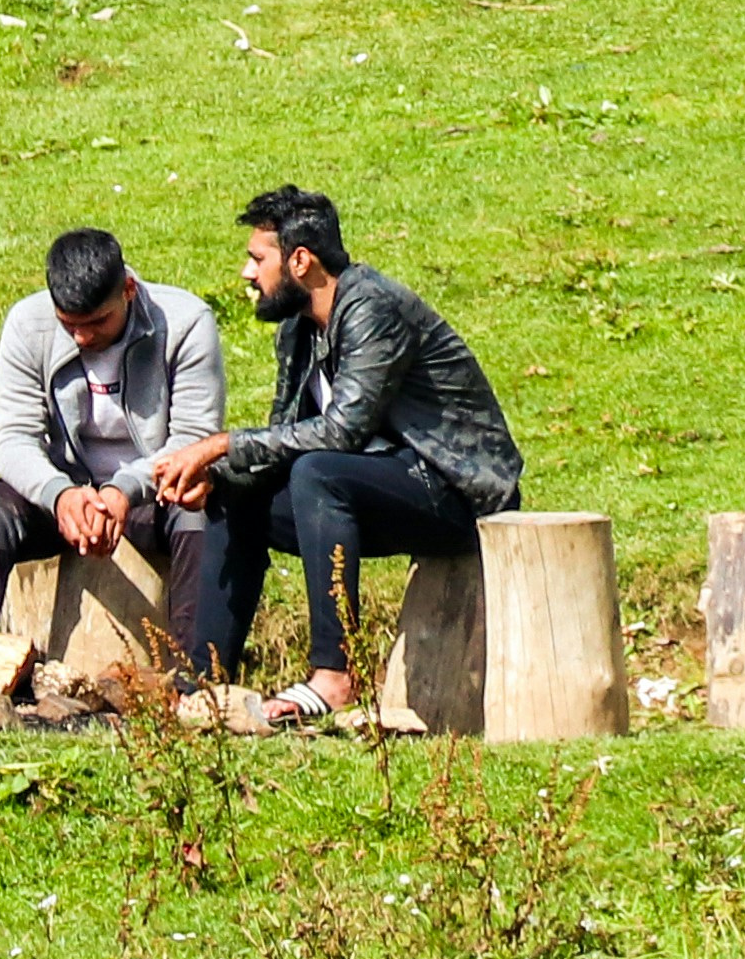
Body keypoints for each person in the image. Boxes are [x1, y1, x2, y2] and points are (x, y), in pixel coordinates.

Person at [147, 183, 519, 726]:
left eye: (257, 259)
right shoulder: (299, 328)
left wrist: (222, 443)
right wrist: (219, 473)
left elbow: (343, 432)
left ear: (300, 260)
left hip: (458, 494)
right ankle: (202, 685)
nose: (248, 274)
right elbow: (285, 437)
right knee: (236, 492)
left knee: (318, 473)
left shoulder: (371, 308)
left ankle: (336, 673)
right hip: (376, 489)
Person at [0, 225, 220, 677]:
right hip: (62, 490)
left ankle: (193, 680)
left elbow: (193, 439)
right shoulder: (27, 322)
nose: (81, 338)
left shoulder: (187, 322)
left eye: (97, 322)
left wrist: (123, 490)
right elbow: (14, 439)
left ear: (129, 291)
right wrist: (60, 494)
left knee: (198, 516)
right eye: (68, 324)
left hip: (151, 491)